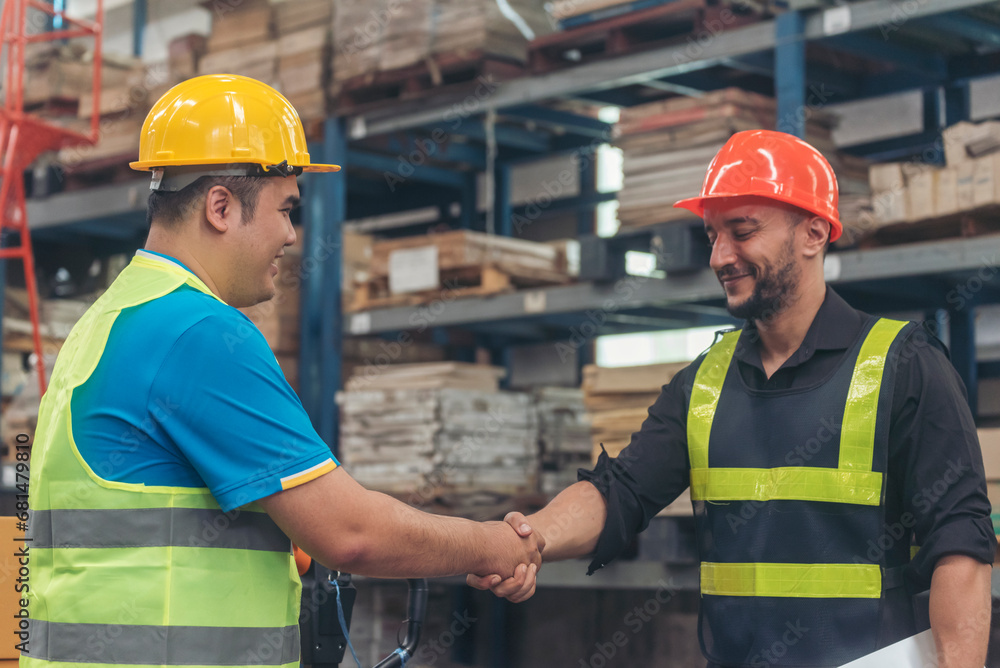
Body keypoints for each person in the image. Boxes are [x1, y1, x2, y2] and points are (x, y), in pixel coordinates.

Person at [23, 74, 541, 667]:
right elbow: (352, 533)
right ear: (220, 207)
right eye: (285, 209)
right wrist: (492, 545)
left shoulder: (111, 317)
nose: (292, 236)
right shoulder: (198, 334)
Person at [470, 129, 996, 667]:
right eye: (713, 235)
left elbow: (961, 546)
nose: (721, 255)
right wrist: (531, 540)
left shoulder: (903, 365)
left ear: (814, 233)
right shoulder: (704, 384)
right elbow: (620, 491)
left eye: (742, 231)